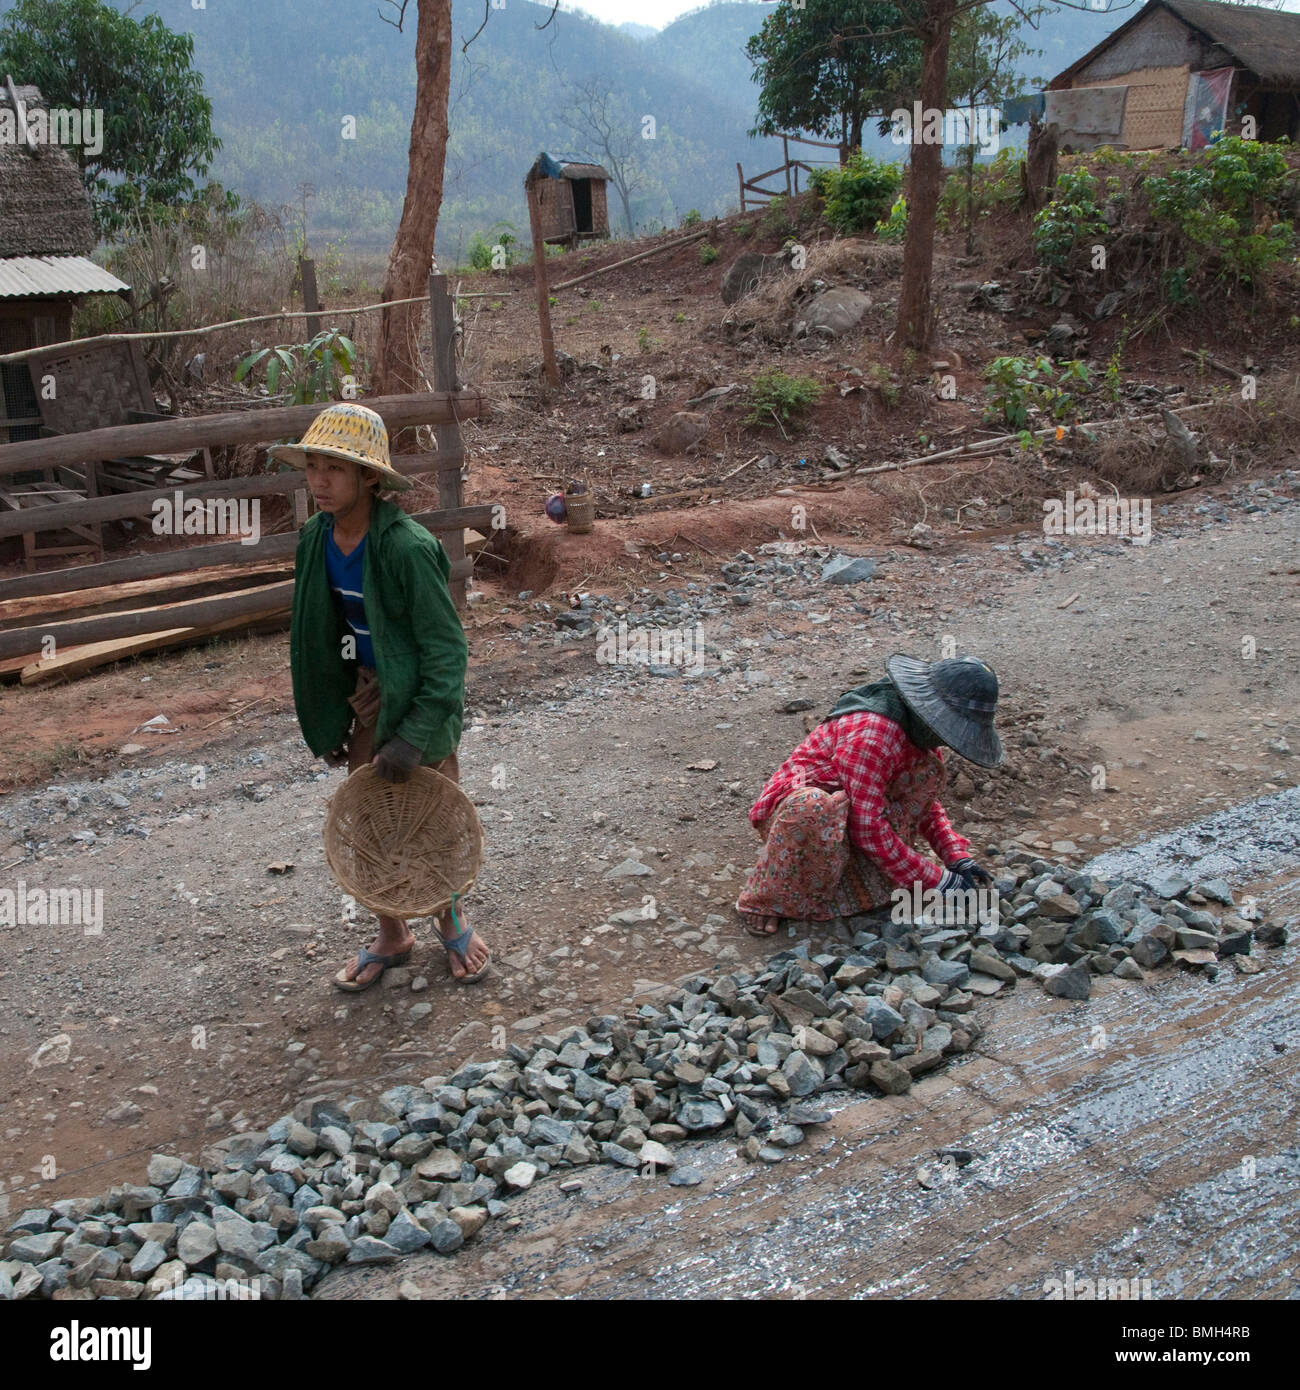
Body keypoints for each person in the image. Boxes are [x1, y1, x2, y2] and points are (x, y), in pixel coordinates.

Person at [271, 402, 491, 990]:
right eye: (313, 466)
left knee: (429, 818)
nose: (319, 481)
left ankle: (450, 922)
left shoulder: (407, 547)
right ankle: (393, 933)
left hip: (419, 701)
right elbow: (324, 629)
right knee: (373, 821)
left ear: (369, 476)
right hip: (370, 697)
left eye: (335, 469)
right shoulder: (317, 539)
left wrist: (416, 733)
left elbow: (446, 652)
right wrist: (339, 697)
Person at [735, 653, 1004, 935]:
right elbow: (868, 826)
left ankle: (839, 882)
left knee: (925, 774)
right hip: (801, 819)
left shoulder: (919, 737)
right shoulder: (875, 734)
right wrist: (935, 880)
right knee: (812, 808)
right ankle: (765, 900)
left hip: (852, 813)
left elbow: (927, 804)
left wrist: (956, 855)